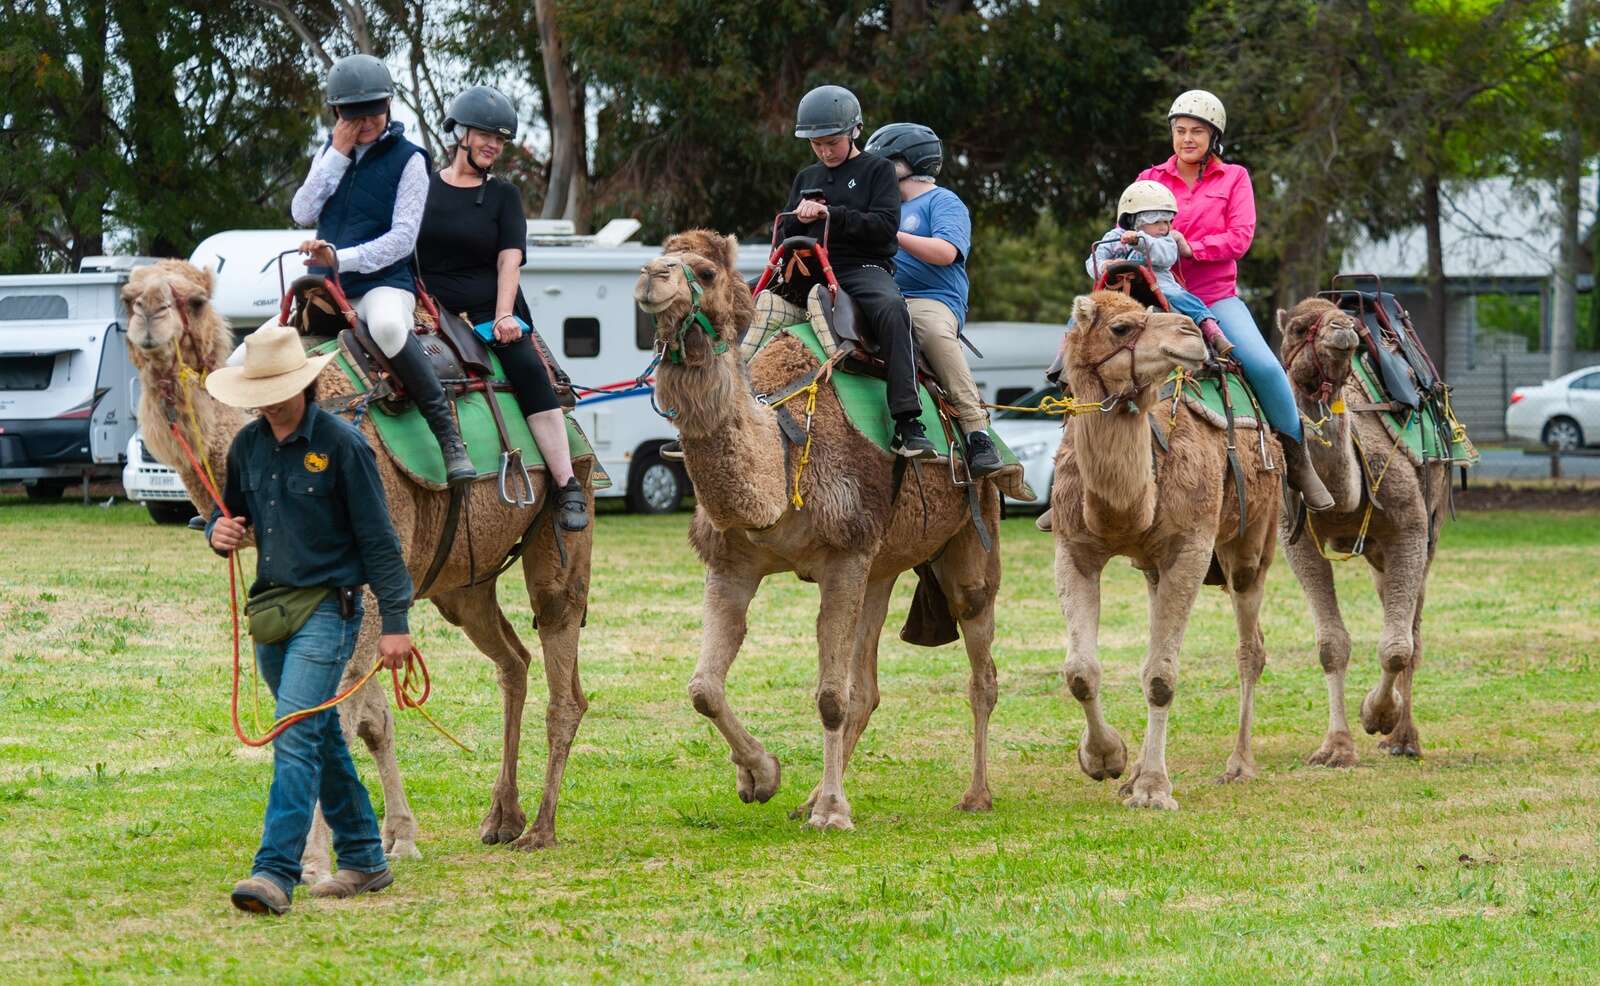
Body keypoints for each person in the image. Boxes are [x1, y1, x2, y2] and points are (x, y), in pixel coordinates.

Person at [204, 323, 414, 915]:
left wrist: (394, 622)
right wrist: (219, 536)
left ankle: (274, 871)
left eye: (277, 387)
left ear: (303, 386)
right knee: (318, 736)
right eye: (258, 389)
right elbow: (234, 520)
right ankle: (367, 859)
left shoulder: (344, 446)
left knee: (295, 734)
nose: (268, 400)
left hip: (331, 610)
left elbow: (380, 543)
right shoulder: (247, 448)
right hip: (272, 614)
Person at [1136, 89, 1333, 511]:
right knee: (1096, 354)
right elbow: (1127, 229)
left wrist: (1192, 248)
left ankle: (1299, 462)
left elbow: (1241, 238)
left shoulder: (1235, 178)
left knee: (1263, 365)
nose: (1187, 138)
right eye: (1180, 130)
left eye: (1196, 132)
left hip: (1215, 297)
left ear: (1214, 137)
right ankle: (1074, 468)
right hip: (1156, 298)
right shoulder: (1148, 180)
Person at [291, 53, 474, 486]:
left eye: (373, 110)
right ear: (337, 114)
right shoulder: (328, 154)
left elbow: (403, 239)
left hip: (384, 285)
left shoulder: (411, 159)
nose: (365, 121)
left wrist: (342, 257)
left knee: (390, 329)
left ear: (388, 105)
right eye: (353, 114)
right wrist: (335, 155)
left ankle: (448, 437)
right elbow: (302, 211)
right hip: (328, 288)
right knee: (254, 350)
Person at [416, 85, 588, 531]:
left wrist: (507, 314)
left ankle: (566, 483)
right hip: (428, 310)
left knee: (530, 372)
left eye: (501, 138)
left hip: (491, 309)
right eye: (485, 134)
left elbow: (508, 259)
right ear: (459, 134)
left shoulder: (504, 196)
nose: (494, 143)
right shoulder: (422, 187)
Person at [778, 85, 935, 459]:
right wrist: (795, 220)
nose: (824, 151)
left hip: (861, 268)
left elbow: (884, 228)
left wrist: (832, 214)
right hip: (808, 269)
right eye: (815, 143)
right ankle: (727, 411)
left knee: (893, 310)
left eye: (831, 142)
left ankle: (907, 423)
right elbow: (785, 233)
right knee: (735, 299)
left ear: (854, 132)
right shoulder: (805, 176)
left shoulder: (878, 171)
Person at [864, 122, 1002, 477]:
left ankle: (976, 430)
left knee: (933, 333)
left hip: (929, 299)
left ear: (905, 162)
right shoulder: (883, 205)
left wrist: (890, 234)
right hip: (881, 294)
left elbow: (945, 251)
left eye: (882, 163)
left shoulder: (942, 201)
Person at [1087, 180, 1234, 359]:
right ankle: (1067, 358)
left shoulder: (1165, 240)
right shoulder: (1113, 237)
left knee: (1178, 295)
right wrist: (1104, 265)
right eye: (1157, 221)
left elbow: (1166, 257)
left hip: (1158, 283)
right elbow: (1093, 260)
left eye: (1167, 221)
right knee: (1087, 310)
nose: (1164, 227)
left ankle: (1210, 327)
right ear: (1134, 219)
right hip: (1117, 289)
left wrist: (1140, 241)